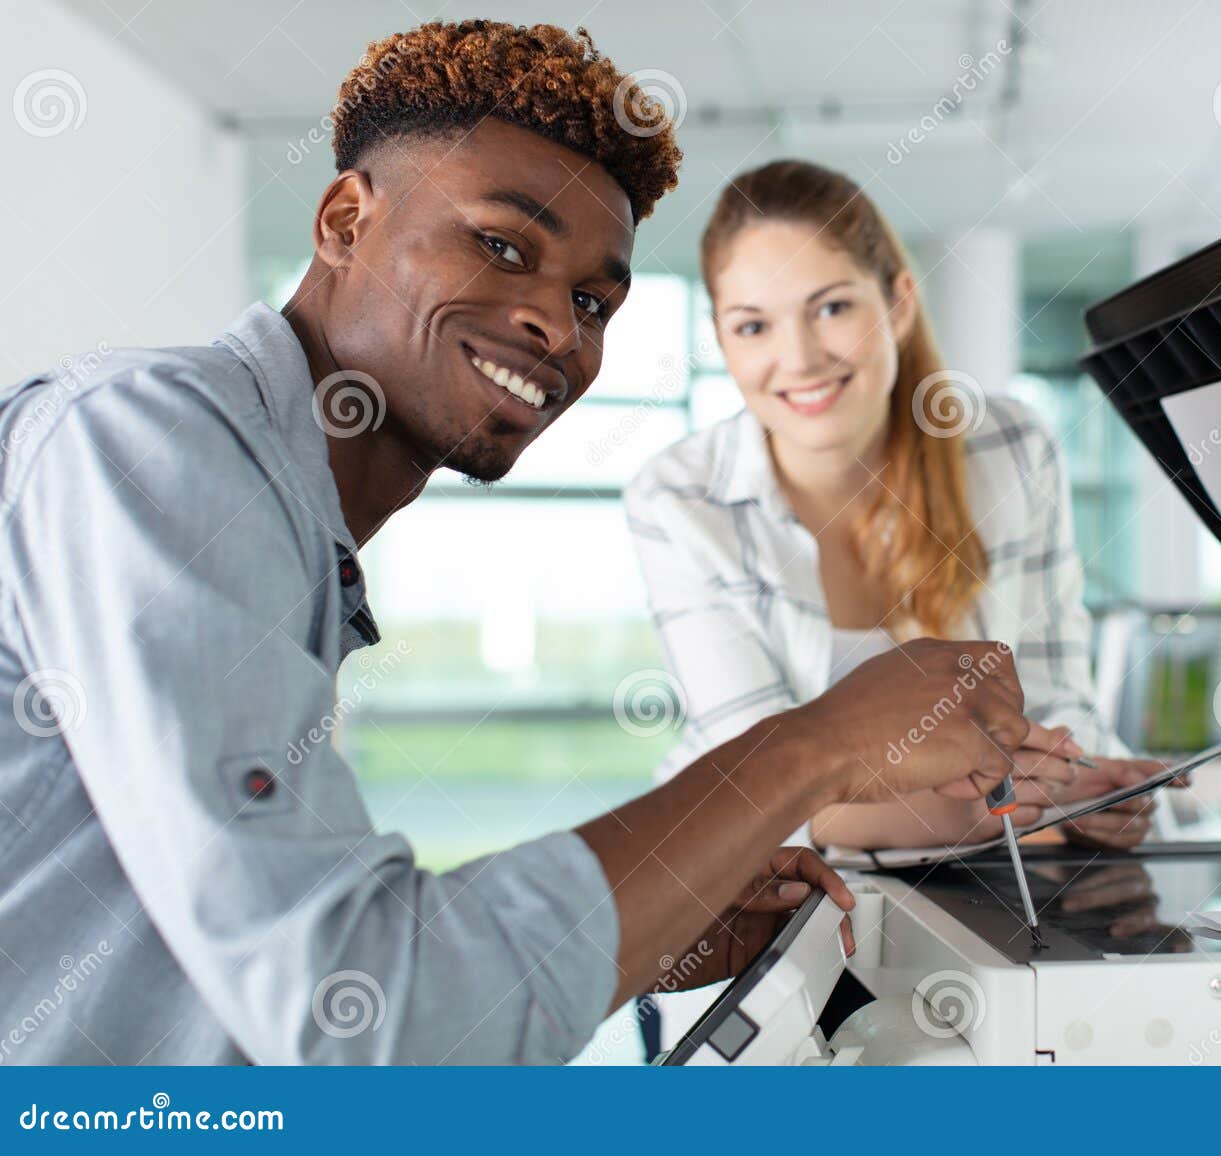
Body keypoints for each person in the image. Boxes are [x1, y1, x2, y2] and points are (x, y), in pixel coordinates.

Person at [0, 21, 1060, 1065]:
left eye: (593, 300)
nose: (558, 326)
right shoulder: (147, 440)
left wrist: (644, 930)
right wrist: (815, 742)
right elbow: (360, 1018)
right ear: (342, 220)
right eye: (503, 247)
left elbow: (240, 973)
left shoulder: (290, 527)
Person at [626, 159, 1170, 853]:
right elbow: (756, 785)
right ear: (723, 338)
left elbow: (1057, 702)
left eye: (831, 308)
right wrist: (1002, 811)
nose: (797, 358)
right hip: (781, 884)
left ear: (899, 304)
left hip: (1008, 868)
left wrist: (1092, 789)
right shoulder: (679, 499)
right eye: (753, 326)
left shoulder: (1008, 447)